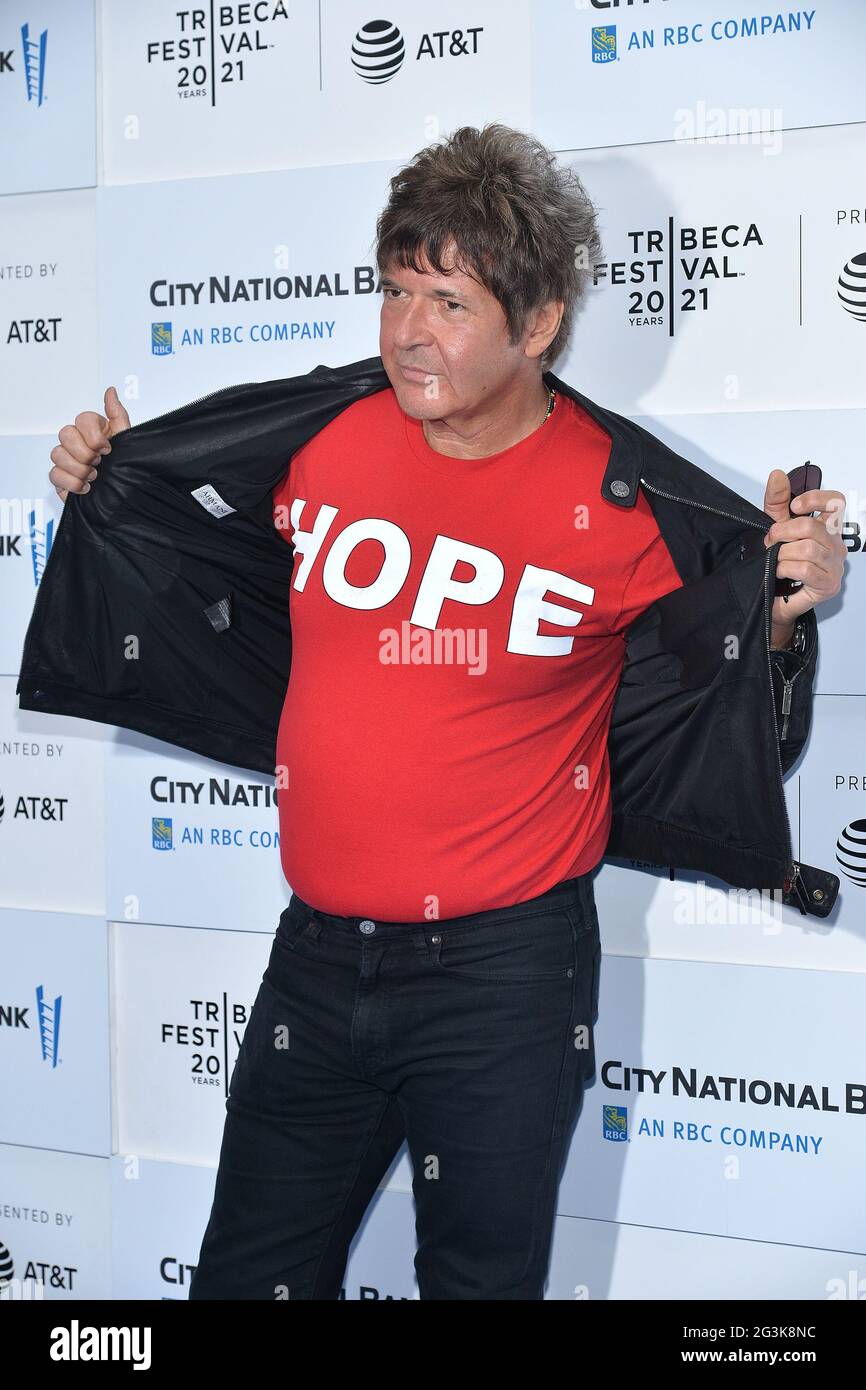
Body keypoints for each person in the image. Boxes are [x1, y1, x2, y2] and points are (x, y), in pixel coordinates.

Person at [46, 124, 846, 1300]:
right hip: (312, 960)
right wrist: (112, 480)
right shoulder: (319, 435)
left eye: (449, 302)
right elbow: (199, 563)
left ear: (539, 324)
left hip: (502, 983)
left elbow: (715, 714)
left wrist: (777, 613)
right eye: (394, 289)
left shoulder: (627, 507)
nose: (406, 331)